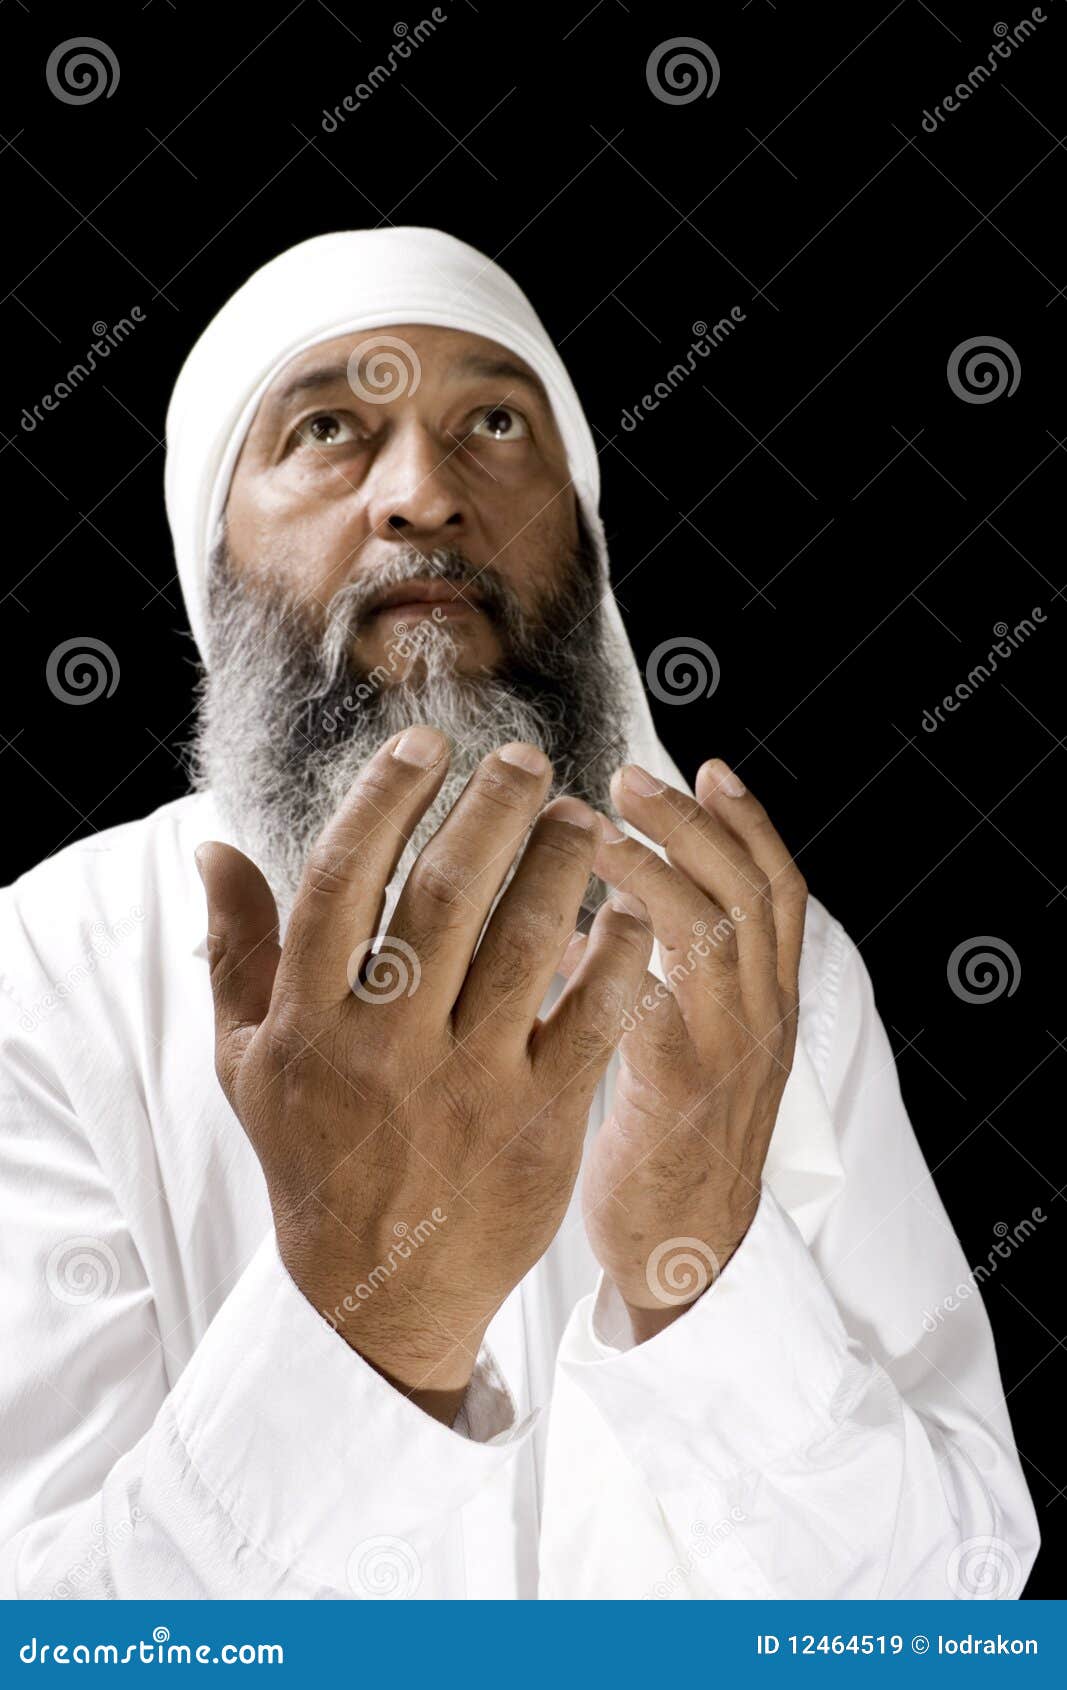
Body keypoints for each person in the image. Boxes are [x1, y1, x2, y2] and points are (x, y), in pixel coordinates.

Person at [0, 228, 1038, 1600]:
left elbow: (947, 1607)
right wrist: (378, 1321)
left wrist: (702, 1260)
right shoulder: (50, 968)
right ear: (214, 556)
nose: (423, 493)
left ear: (588, 547)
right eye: (328, 428)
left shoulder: (745, 958)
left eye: (494, 421)